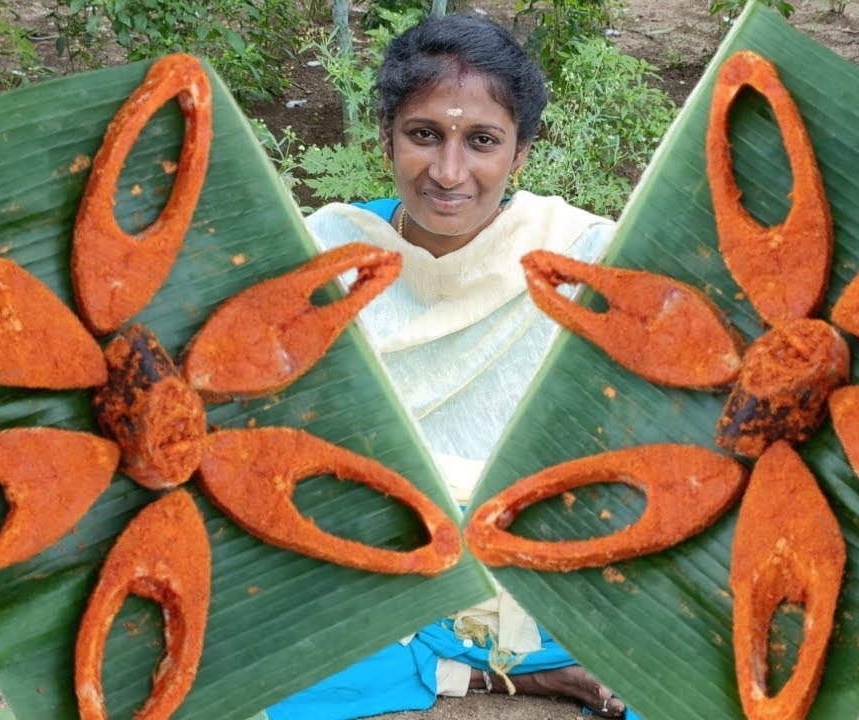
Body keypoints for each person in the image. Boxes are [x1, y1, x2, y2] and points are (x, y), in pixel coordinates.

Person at [266, 14, 634, 720]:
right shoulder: (327, 254)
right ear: (387, 138)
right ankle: (493, 674)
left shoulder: (578, 256)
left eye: (483, 141)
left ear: (521, 153)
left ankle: (489, 659)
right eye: (425, 134)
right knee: (239, 663)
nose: (449, 172)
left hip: (527, 551)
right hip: (376, 553)